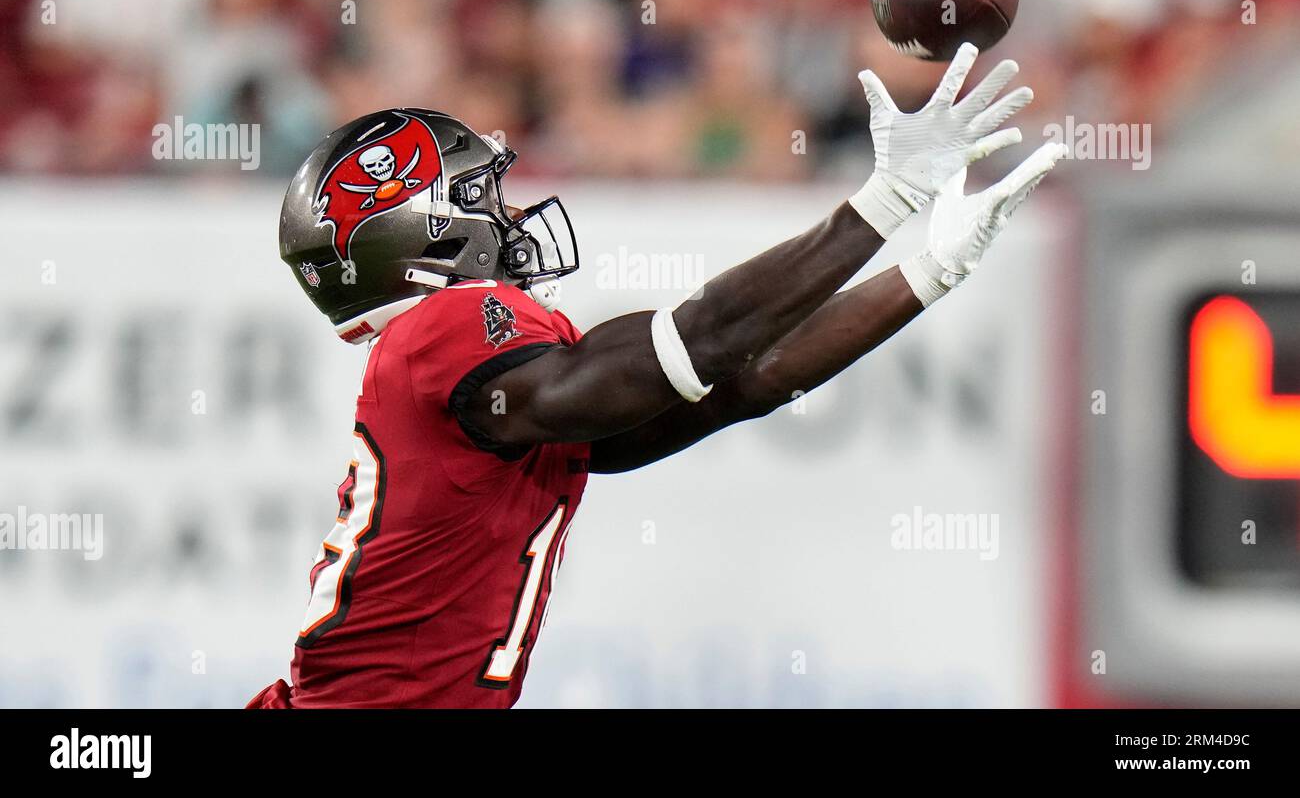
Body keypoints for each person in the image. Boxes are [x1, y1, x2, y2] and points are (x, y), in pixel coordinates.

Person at [247, 43, 1065, 708]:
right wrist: (887, 200)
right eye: (478, 196)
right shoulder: (444, 329)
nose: (507, 214)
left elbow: (733, 386)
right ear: (417, 232)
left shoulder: (476, 376)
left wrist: (928, 270)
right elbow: (704, 342)